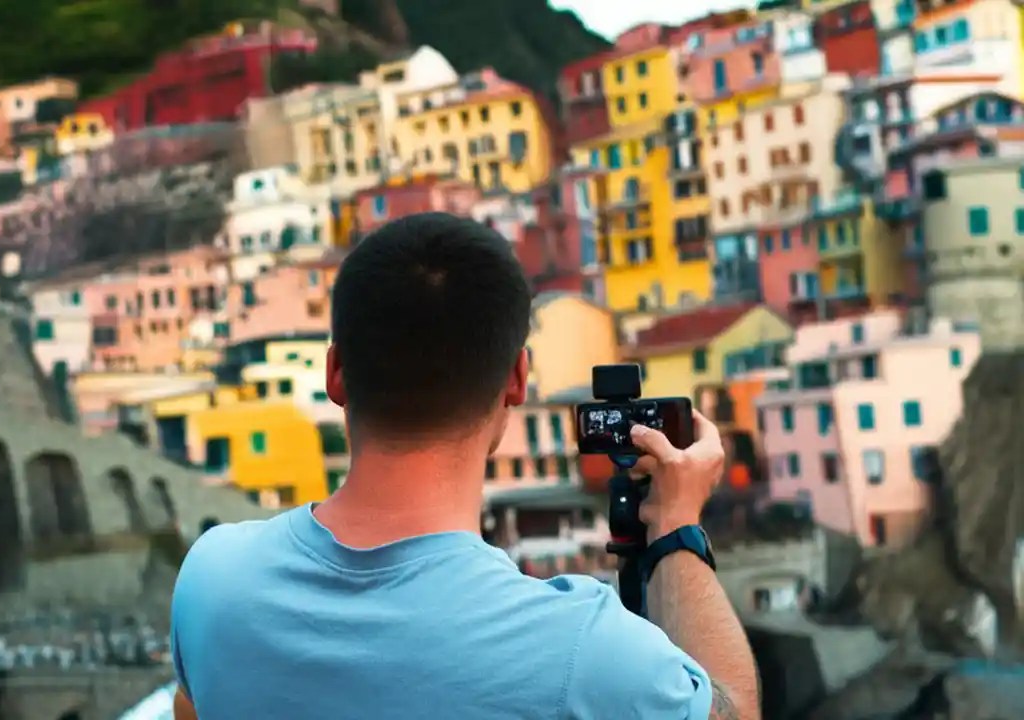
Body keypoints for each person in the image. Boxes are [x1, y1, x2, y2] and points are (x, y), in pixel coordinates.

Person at [170, 213, 759, 719]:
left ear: (335, 374)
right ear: (517, 380)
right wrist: (676, 526)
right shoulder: (584, 651)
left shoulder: (212, 580)